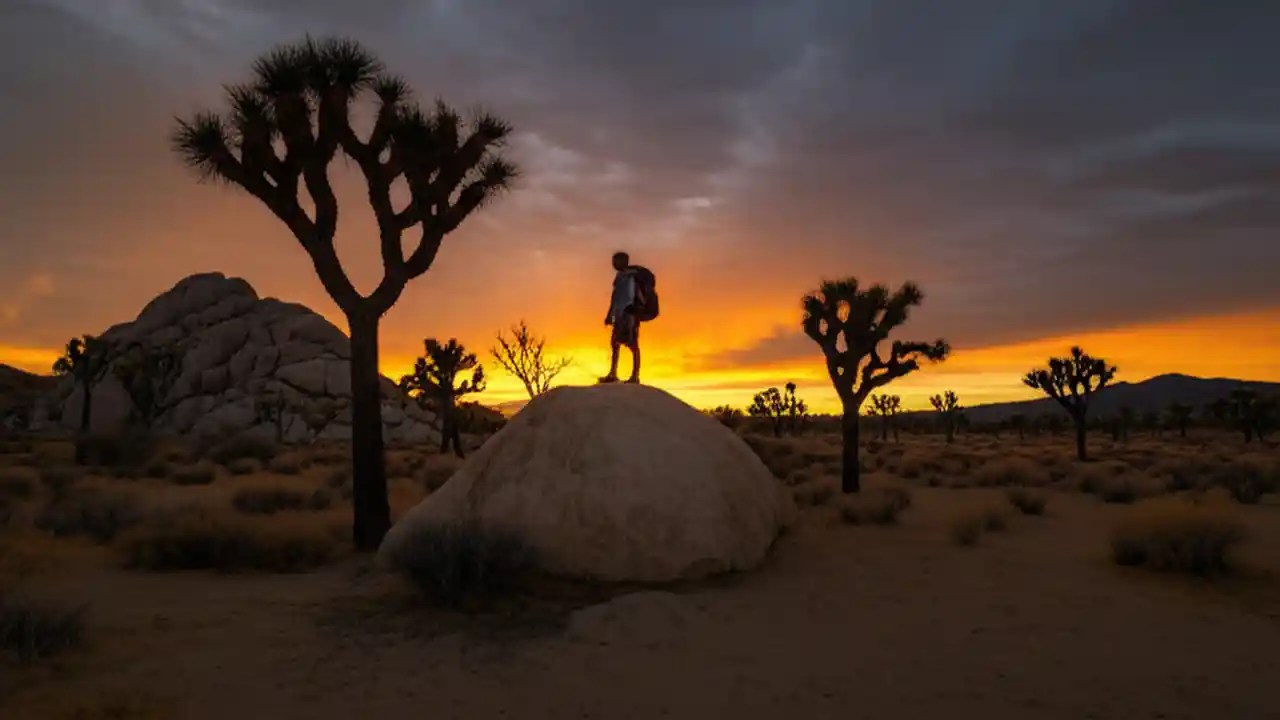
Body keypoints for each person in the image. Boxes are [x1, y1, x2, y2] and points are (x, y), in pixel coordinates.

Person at [599, 251, 642, 384]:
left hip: (629, 315)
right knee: (615, 343)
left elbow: (632, 296)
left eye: (616, 261)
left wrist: (632, 314)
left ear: (624, 261)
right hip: (620, 316)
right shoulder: (620, 276)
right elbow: (615, 298)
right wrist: (610, 315)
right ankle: (613, 373)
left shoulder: (631, 277)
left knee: (632, 344)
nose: (613, 263)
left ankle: (635, 376)